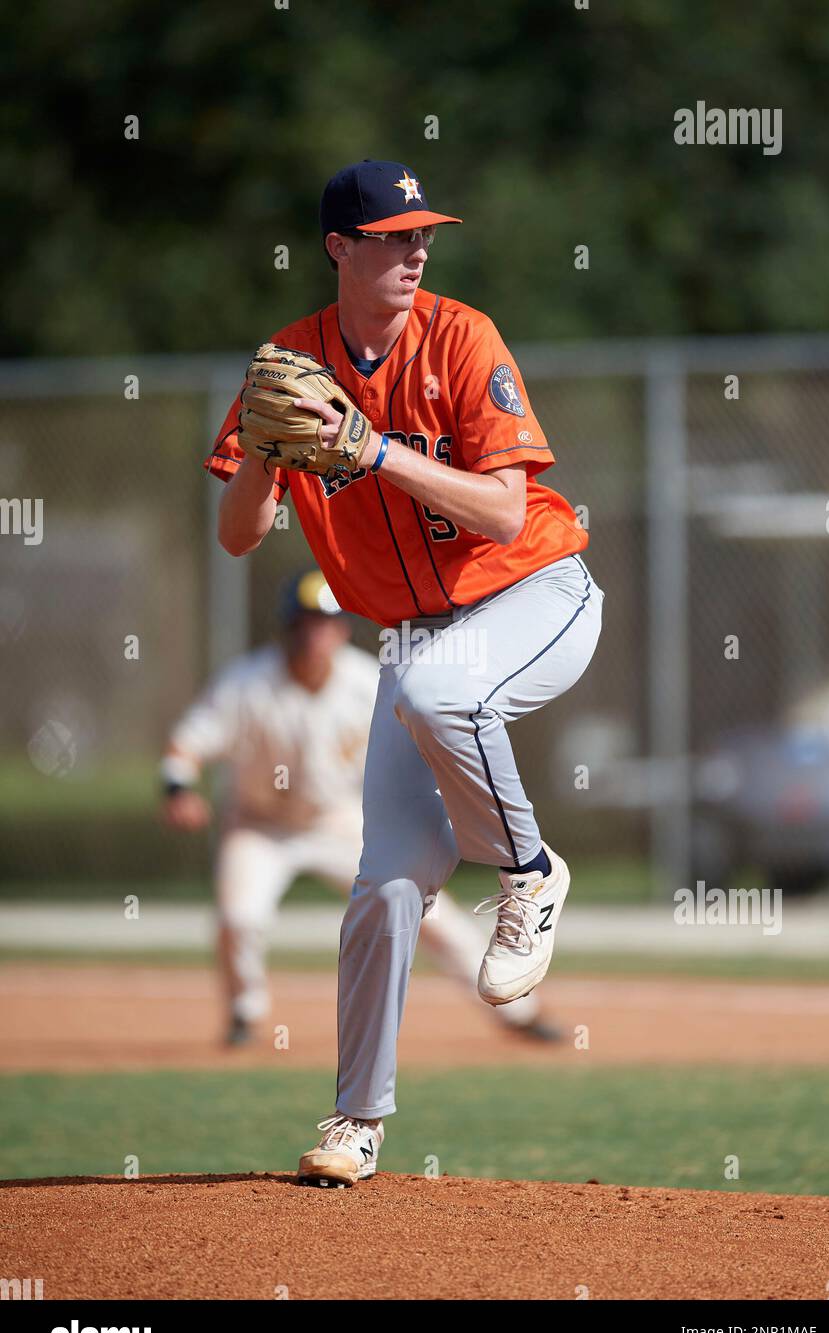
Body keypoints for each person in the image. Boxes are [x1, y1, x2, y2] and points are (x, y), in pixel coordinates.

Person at [205, 159, 604, 1187]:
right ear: (339, 246)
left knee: (439, 691)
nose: (414, 249)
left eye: (422, 233)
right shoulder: (288, 361)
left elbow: (506, 512)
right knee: (384, 886)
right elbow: (240, 537)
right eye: (390, 234)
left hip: (536, 596)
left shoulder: (461, 337)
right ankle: (355, 1123)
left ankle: (527, 872)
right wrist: (263, 451)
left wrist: (370, 449)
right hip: (419, 637)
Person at [160, 569, 562, 1046]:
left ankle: (519, 1010)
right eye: (305, 622)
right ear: (287, 627)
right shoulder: (247, 684)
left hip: (339, 821)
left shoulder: (363, 680)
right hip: (259, 826)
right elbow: (185, 746)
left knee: (429, 912)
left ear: (341, 629)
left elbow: (417, 747)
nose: (315, 634)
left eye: (325, 622)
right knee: (239, 918)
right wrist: (177, 789)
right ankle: (245, 1013)